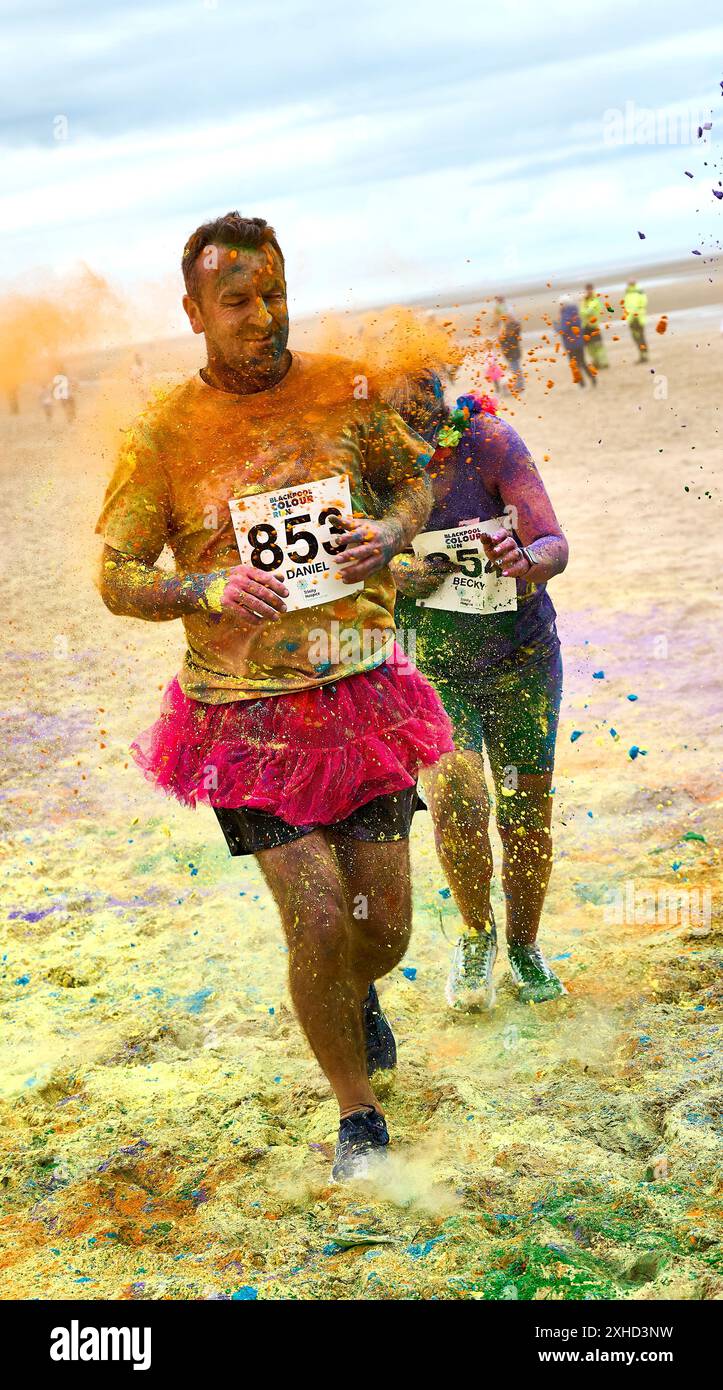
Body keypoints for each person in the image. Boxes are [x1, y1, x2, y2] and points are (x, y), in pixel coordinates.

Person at [95, 212, 454, 1182]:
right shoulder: (161, 435)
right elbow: (118, 574)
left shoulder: (347, 391)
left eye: (275, 295)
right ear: (195, 311)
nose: (263, 317)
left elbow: (410, 486)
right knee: (320, 919)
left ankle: (349, 996)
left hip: (364, 692)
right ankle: (358, 1116)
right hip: (241, 716)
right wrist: (199, 586)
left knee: (383, 928)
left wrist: (385, 534)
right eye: (238, 302)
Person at [388, 373, 569, 1008]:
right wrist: (405, 571)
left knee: (525, 809)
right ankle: (476, 935)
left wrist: (527, 558)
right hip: (433, 667)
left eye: (427, 402)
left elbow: (554, 542)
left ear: (445, 395)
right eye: (401, 407)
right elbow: (349, 563)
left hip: (521, 657)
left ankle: (523, 945)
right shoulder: (372, 461)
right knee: (456, 802)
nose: (418, 418)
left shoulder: (488, 440)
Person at [556, 295, 596, 387]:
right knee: (582, 362)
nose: (559, 306)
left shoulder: (566, 314)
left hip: (571, 344)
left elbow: (563, 330)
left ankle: (582, 384)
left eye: (560, 304)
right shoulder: (575, 312)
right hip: (579, 342)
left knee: (575, 365)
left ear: (564, 304)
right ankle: (592, 378)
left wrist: (556, 326)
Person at [580, 284, 609, 370]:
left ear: (592, 290)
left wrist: (584, 312)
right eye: (587, 290)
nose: (589, 291)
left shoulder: (595, 300)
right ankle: (596, 362)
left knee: (598, 346)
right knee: (589, 347)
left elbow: (587, 312)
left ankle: (604, 363)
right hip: (586, 326)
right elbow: (581, 312)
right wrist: (584, 312)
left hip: (594, 326)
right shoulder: (584, 300)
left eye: (590, 289)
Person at [624, 279, 648, 361]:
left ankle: (644, 355)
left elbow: (643, 303)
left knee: (641, 337)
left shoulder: (639, 291)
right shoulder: (627, 293)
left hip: (638, 318)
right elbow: (626, 306)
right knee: (635, 337)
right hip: (631, 318)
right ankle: (641, 354)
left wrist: (635, 313)